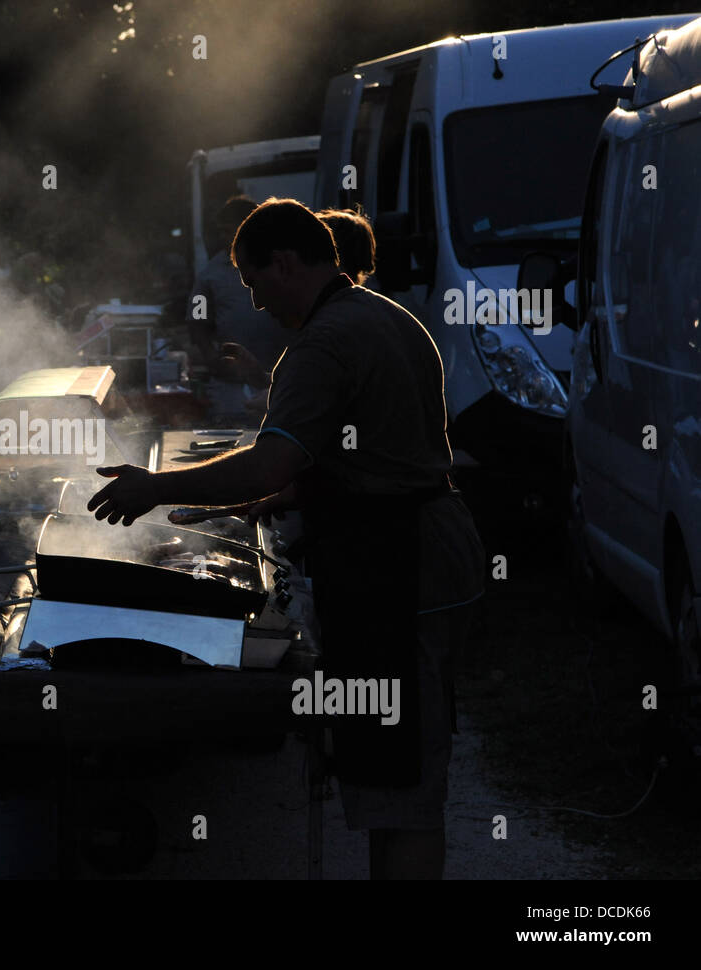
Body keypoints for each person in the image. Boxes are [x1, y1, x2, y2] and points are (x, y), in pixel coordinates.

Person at [88, 198, 485, 879]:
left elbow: (273, 456)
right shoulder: (389, 317)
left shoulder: (324, 343)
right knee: (394, 769)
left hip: (398, 572)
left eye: (253, 281)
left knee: (403, 783)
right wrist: (273, 501)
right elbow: (379, 457)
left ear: (285, 263)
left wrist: (154, 488)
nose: (254, 300)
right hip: (429, 553)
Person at [221, 207, 376, 405]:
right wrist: (262, 379)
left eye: (254, 283)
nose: (257, 304)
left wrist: (276, 405)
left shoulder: (325, 335)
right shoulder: (385, 315)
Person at [187, 195, 291, 423]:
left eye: (230, 231)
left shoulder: (283, 263)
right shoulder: (211, 274)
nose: (224, 238)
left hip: (283, 381)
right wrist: (212, 359)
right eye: (222, 232)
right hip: (231, 387)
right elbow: (198, 320)